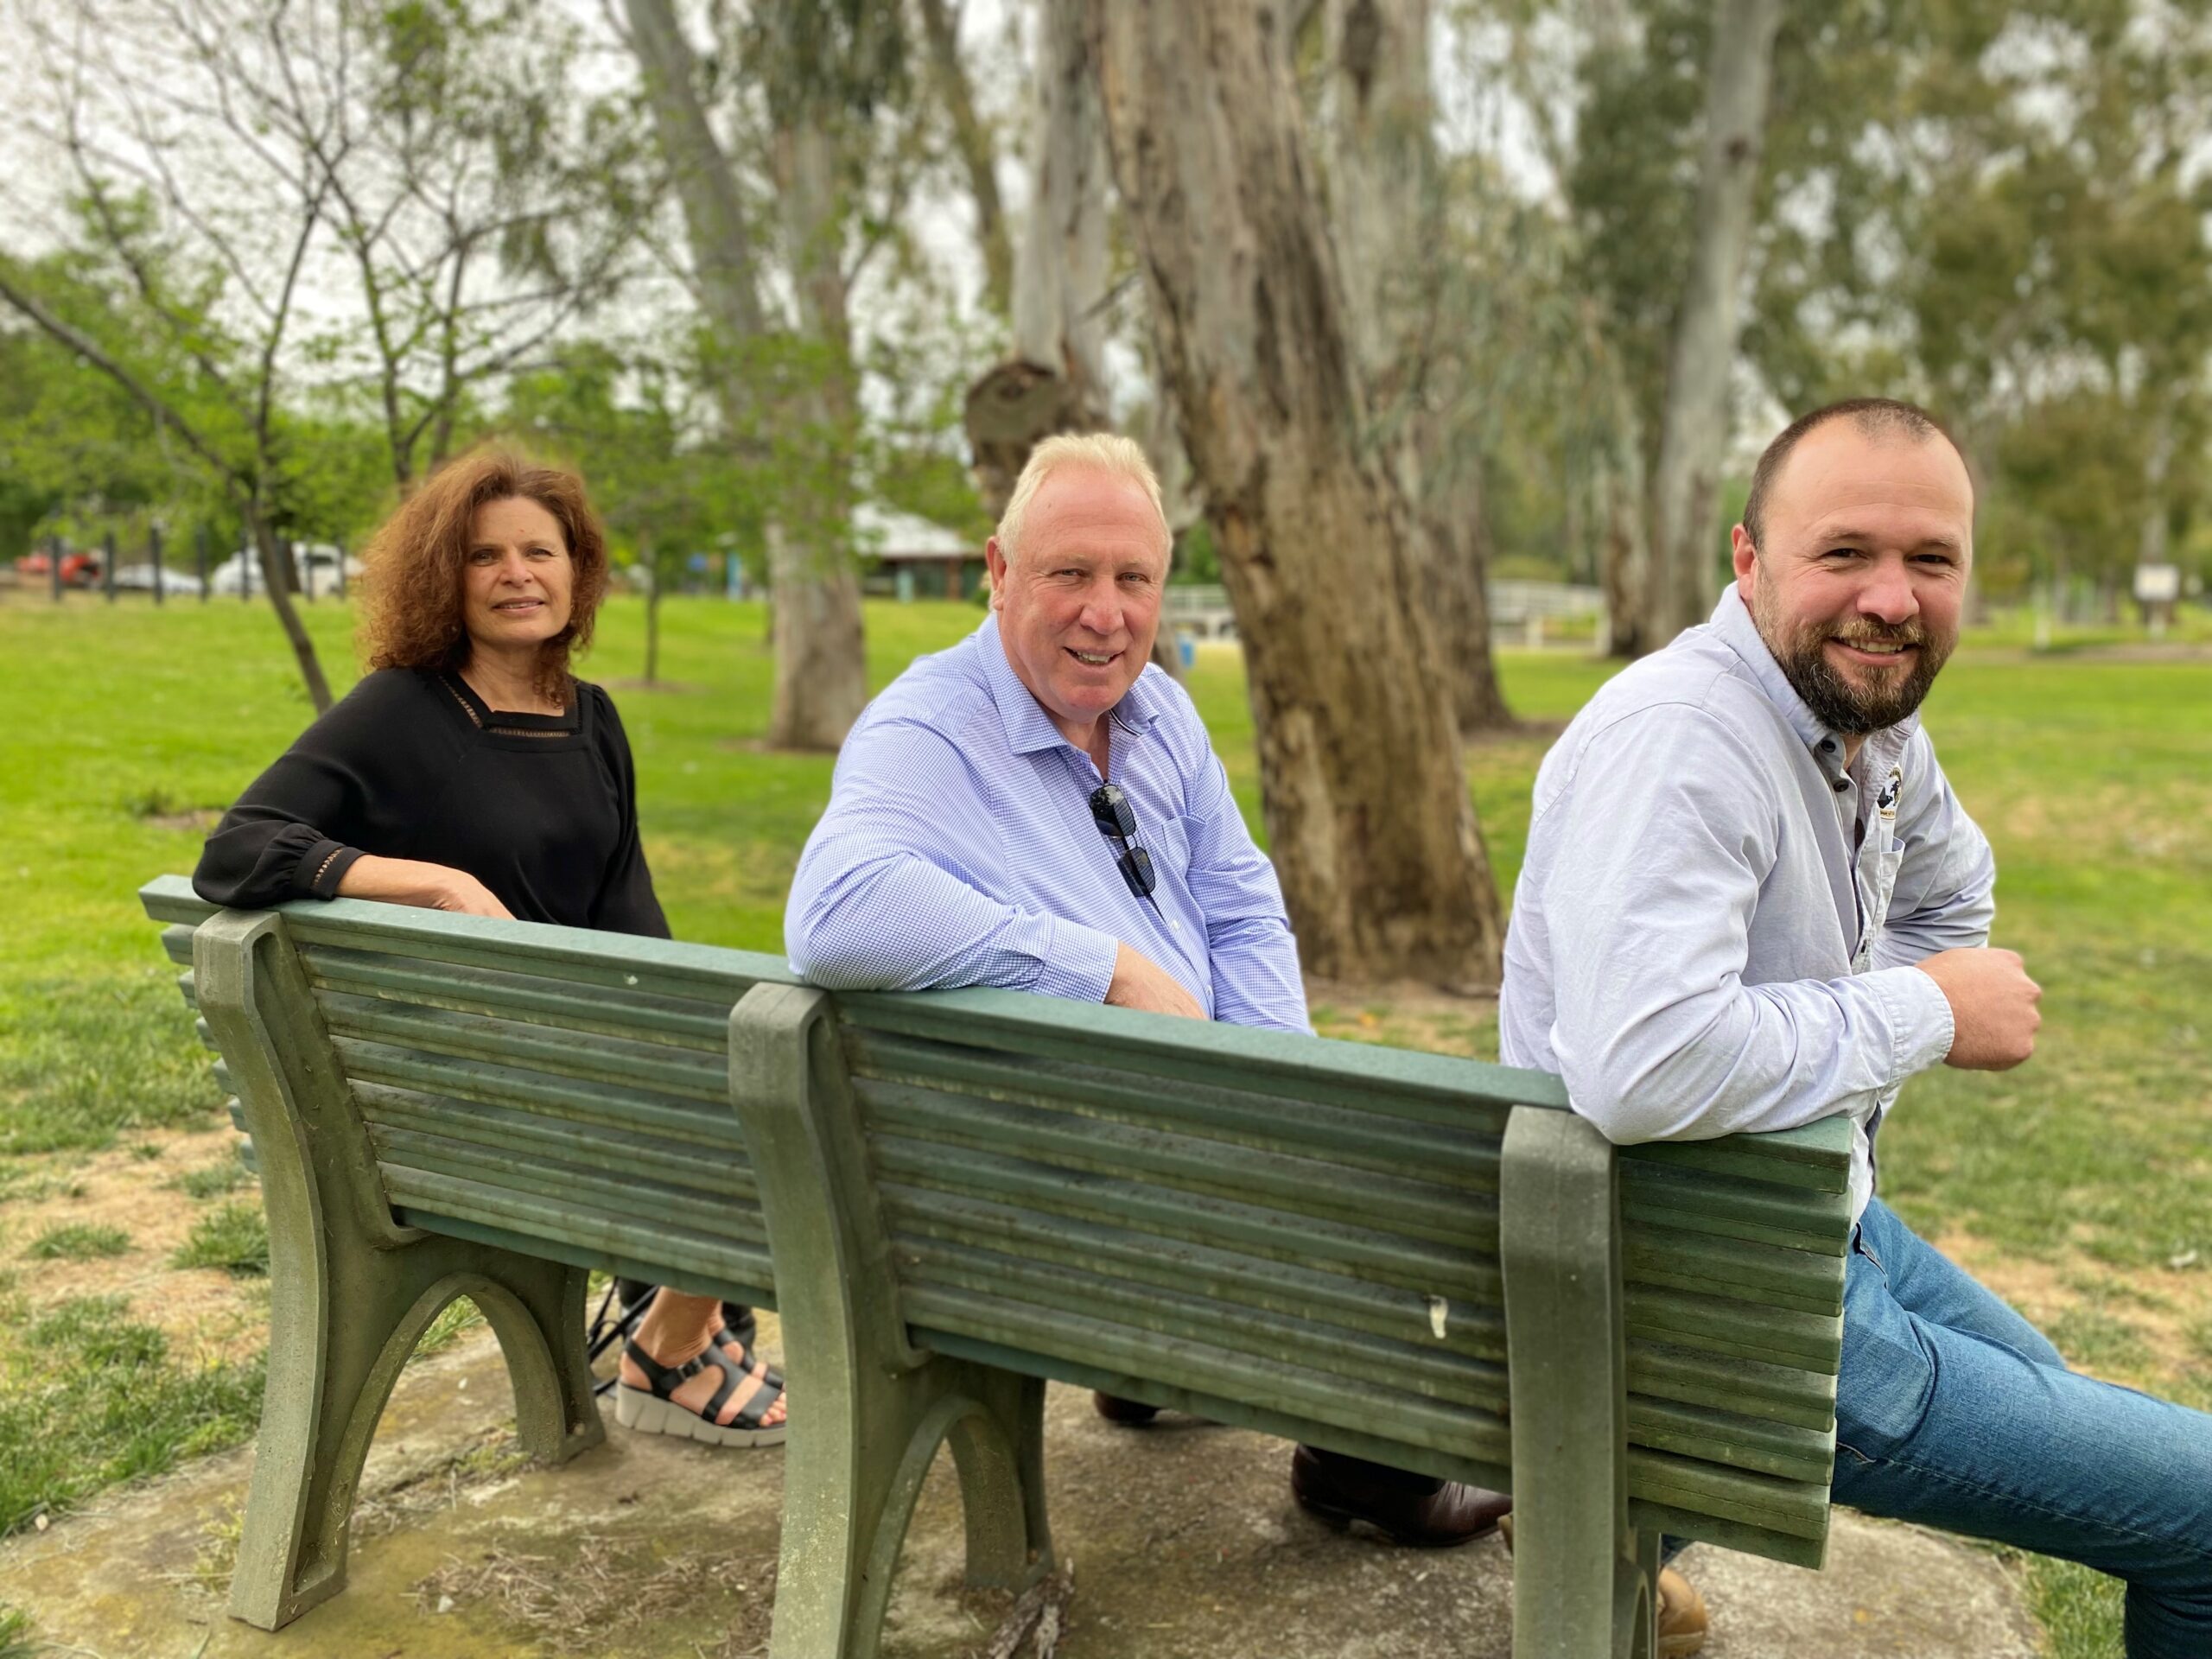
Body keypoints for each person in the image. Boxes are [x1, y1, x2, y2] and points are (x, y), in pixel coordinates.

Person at [1500, 397, 2212, 1657]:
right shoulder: (1684, 740)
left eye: (1930, 561)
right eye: (1845, 554)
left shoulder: (1867, 722)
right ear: (1748, 559)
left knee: (2060, 1389)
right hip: (1713, 1299)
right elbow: (1642, 1067)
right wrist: (1922, 1011)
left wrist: (1830, 1027)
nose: (1891, 598)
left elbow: (1957, 891)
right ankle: (1618, 1506)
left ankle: (1622, 1535)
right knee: (2202, 1503)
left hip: (1800, 1214)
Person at [784, 432, 1514, 1553]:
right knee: (1479, 1186)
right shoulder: (931, 729)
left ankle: (1164, 1365)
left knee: (1378, 1124)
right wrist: (1106, 971)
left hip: (1171, 1165)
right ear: (999, 570)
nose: (1106, 612)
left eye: (1134, 579)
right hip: (1056, 1203)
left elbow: (1240, 900)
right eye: (1070, 573)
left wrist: (1281, 1070)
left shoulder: (1160, 712)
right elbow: (836, 915)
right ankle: (1365, 1465)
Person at [194, 449, 786, 1451]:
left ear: (577, 570)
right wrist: (431, 882)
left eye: (539, 551)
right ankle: (667, 1352)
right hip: (480, 1104)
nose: (518, 573)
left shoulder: (592, 719)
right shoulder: (400, 711)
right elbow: (236, 848)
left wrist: (689, 1035)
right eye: (484, 556)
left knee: (771, 1075)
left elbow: (627, 912)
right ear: (444, 578)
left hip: (573, 1064)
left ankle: (677, 1315)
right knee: (786, 1128)